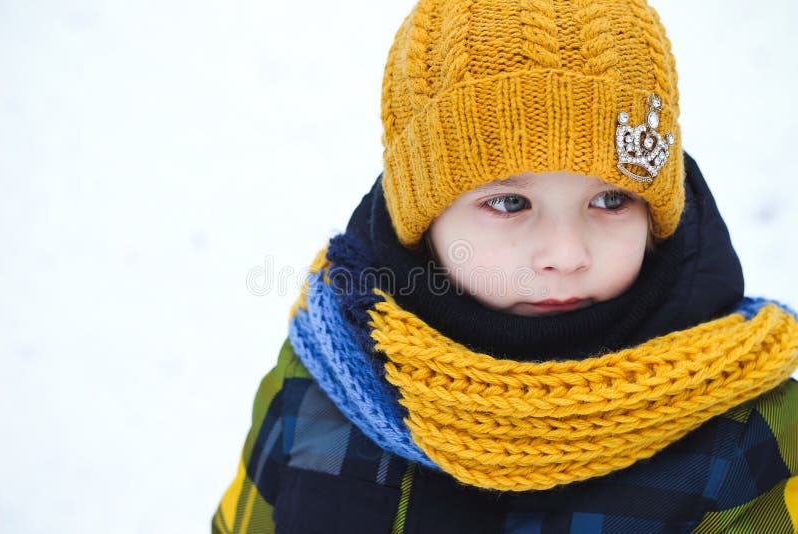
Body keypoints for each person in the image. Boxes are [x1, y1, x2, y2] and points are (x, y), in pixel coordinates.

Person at [212, 1, 798, 532]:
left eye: (611, 199)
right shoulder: (322, 387)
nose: (566, 255)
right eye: (509, 203)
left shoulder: (746, 437)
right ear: (423, 220)